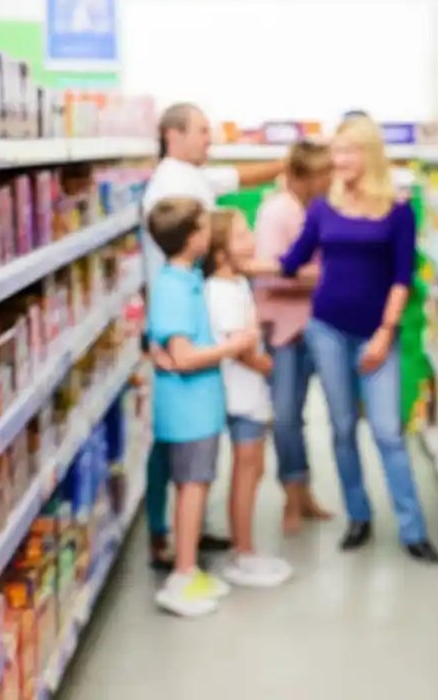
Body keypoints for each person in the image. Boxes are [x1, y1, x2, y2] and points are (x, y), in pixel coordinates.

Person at [250, 115, 438, 564]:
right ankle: (358, 516)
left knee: (387, 432)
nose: (339, 161)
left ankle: (413, 529)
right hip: (326, 330)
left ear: (370, 154)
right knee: (339, 429)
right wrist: (237, 263)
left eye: (348, 151)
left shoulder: (397, 209)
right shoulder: (322, 209)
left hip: (377, 333)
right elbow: (292, 261)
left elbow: (401, 278)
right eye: (336, 152)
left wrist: (384, 335)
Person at [143, 102, 285, 570]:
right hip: (179, 344)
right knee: (180, 460)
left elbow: (238, 178)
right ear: (173, 135)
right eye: (202, 131)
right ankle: (169, 541)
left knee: (191, 465)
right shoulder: (170, 189)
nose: (210, 138)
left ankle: (186, 536)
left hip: (190, 348)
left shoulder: (193, 178)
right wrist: (238, 347)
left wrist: (288, 162)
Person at [145, 198, 256, 617]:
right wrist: (236, 345)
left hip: (199, 407)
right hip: (188, 410)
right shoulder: (174, 287)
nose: (211, 234)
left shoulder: (185, 278)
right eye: (205, 228)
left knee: (199, 484)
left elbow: (168, 346)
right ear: (193, 238)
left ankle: (188, 568)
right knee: (191, 488)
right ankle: (184, 572)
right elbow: (186, 356)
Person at [203, 209, 294, 587]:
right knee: (247, 468)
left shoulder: (235, 282)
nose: (250, 241)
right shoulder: (220, 291)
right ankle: (243, 551)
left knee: (252, 470)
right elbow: (237, 347)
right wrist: (265, 365)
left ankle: (244, 546)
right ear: (220, 252)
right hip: (240, 393)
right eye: (240, 237)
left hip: (246, 392)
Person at [253, 142, 335, 534]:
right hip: (284, 328)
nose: (329, 180)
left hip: (320, 324)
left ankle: (305, 494)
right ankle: (292, 495)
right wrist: (324, 278)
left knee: (318, 415)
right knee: (285, 416)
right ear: (301, 176)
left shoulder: (323, 206)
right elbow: (268, 273)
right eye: (321, 174)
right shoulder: (277, 211)